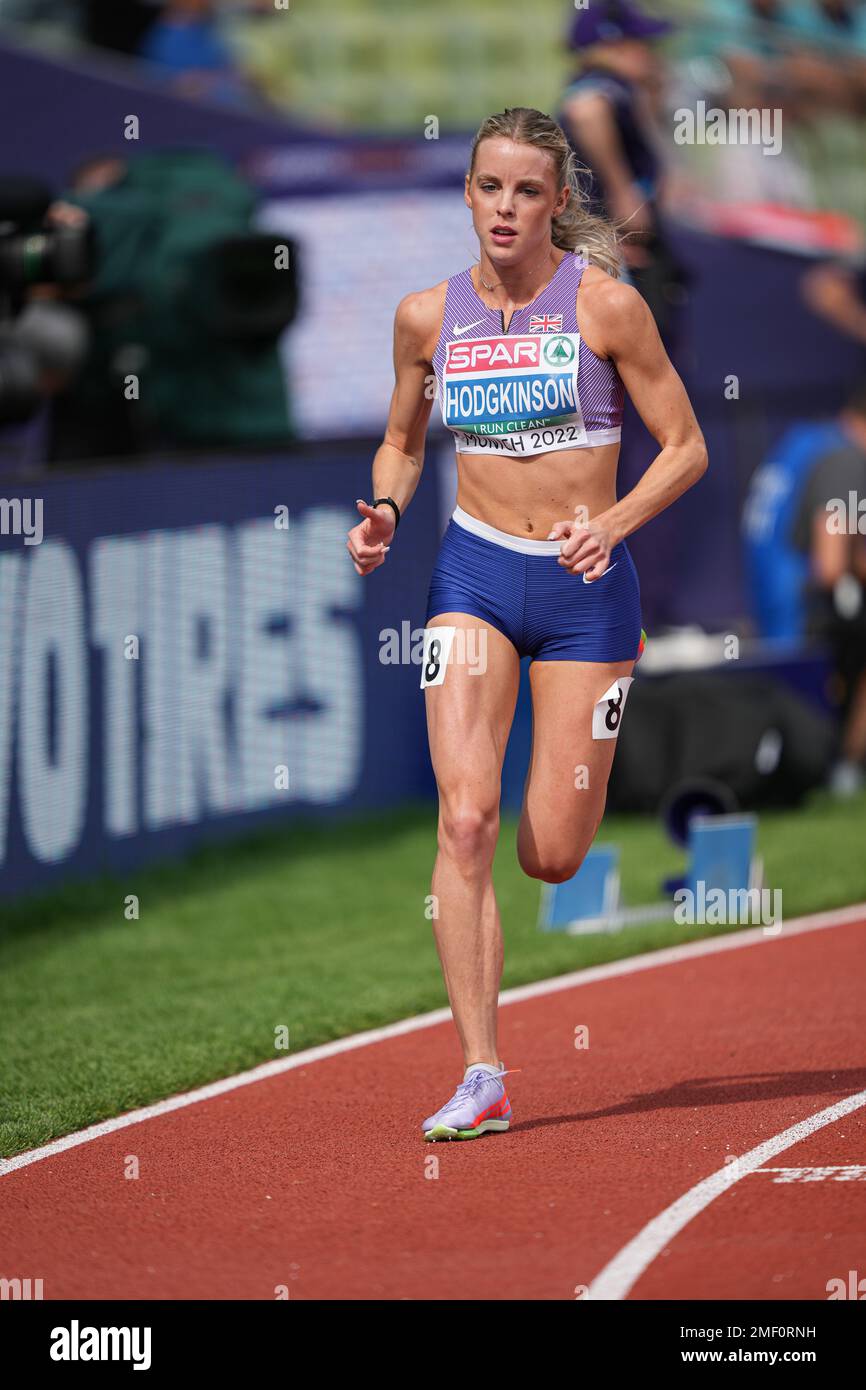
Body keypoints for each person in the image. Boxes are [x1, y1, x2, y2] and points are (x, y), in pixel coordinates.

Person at [345, 106, 707, 1142]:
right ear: (466, 195)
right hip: (470, 573)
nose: (505, 208)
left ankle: (584, 748)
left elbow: (682, 447)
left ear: (557, 202)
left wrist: (615, 522)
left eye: (527, 192)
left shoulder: (607, 307)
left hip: (585, 589)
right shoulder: (425, 317)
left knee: (549, 853)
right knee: (463, 820)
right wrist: (383, 510)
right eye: (489, 188)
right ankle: (481, 1072)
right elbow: (401, 443)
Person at [743, 385, 866, 795]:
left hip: (777, 600)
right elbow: (830, 566)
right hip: (807, 608)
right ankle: (847, 767)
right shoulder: (848, 459)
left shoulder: (806, 441)